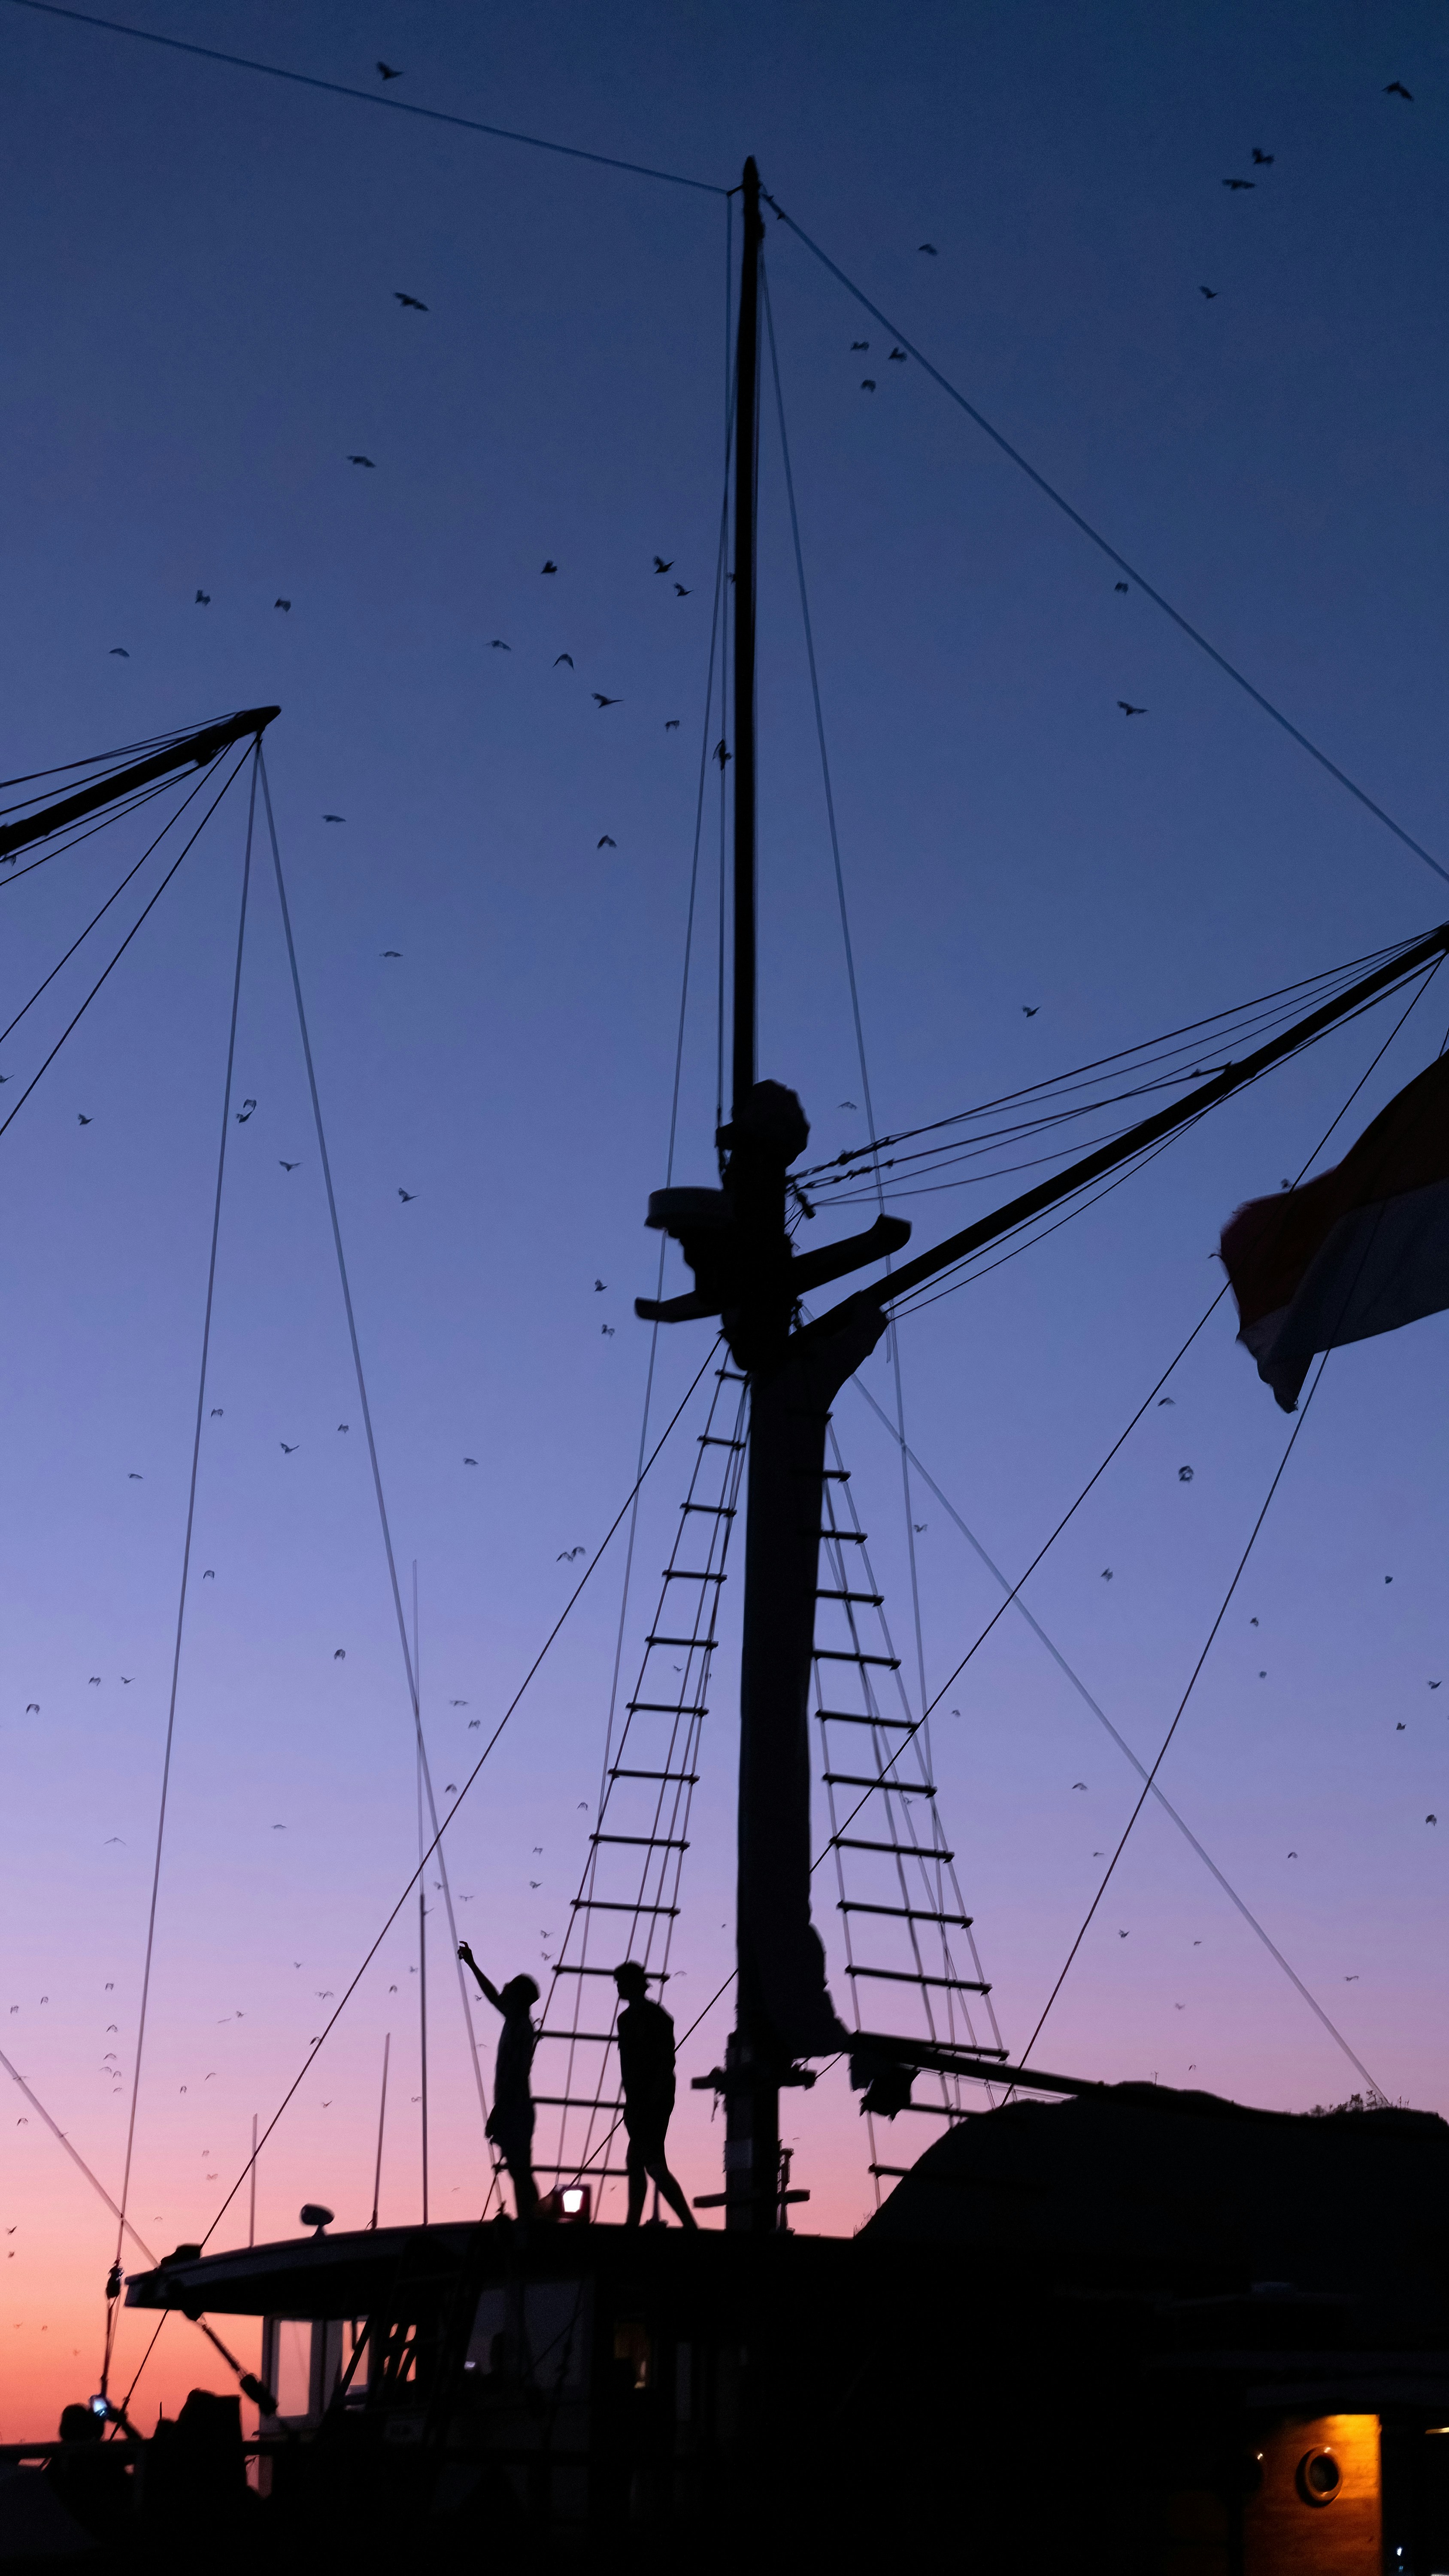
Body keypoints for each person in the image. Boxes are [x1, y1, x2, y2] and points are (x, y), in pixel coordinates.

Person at [458, 1946, 540, 2219]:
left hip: (514, 2107)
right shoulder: (517, 2021)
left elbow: (515, 2075)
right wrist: (472, 1963)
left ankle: (530, 2221)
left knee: (520, 2171)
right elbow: (493, 1996)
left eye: (511, 1988)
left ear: (518, 1998)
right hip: (514, 2106)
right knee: (520, 2171)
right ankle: (528, 2219)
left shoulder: (520, 2027)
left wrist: (500, 2111)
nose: (504, 1987)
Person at [613, 1962, 697, 2229]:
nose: (618, 1987)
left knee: (650, 2163)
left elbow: (664, 2063)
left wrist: (651, 2100)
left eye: (622, 1982)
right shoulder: (629, 2021)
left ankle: (680, 2224)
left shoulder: (655, 2018)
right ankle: (636, 2223)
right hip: (640, 2100)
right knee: (643, 2161)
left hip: (652, 2100)